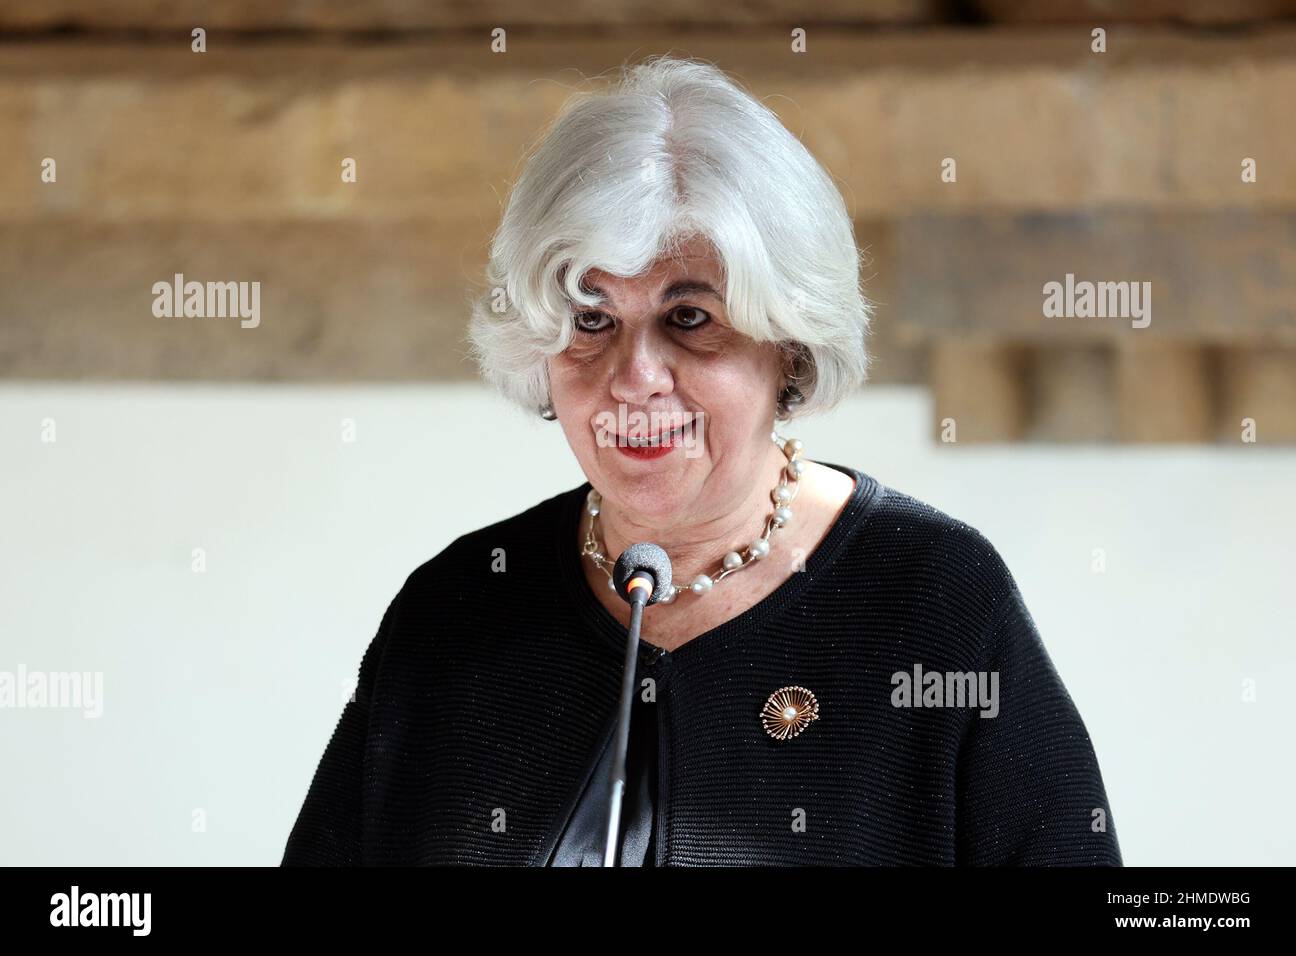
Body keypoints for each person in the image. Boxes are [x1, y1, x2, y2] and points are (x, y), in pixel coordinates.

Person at [281, 54, 1121, 866]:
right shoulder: (457, 609)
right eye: (590, 316)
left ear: (786, 347)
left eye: (688, 318)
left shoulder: (934, 602)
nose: (634, 378)